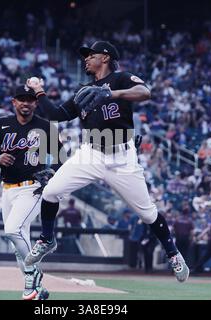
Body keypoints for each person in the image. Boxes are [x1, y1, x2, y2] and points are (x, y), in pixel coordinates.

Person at [24, 41, 189, 282]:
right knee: (51, 192)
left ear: (105, 57)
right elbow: (57, 115)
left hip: (122, 157)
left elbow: (145, 92)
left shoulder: (121, 78)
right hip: (91, 154)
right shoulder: (84, 90)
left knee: (147, 213)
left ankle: (173, 253)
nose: (86, 59)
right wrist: (39, 91)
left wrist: (111, 93)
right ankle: (47, 240)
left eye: (90, 55)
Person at [0, 84, 62, 300]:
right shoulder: (1, 125)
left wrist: (52, 177)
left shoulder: (45, 127)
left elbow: (61, 158)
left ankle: (32, 275)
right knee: (18, 246)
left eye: (30, 99)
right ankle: (38, 291)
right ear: (14, 102)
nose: (26, 102)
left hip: (33, 188)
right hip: (8, 189)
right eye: (21, 99)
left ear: (36, 103)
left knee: (12, 230)